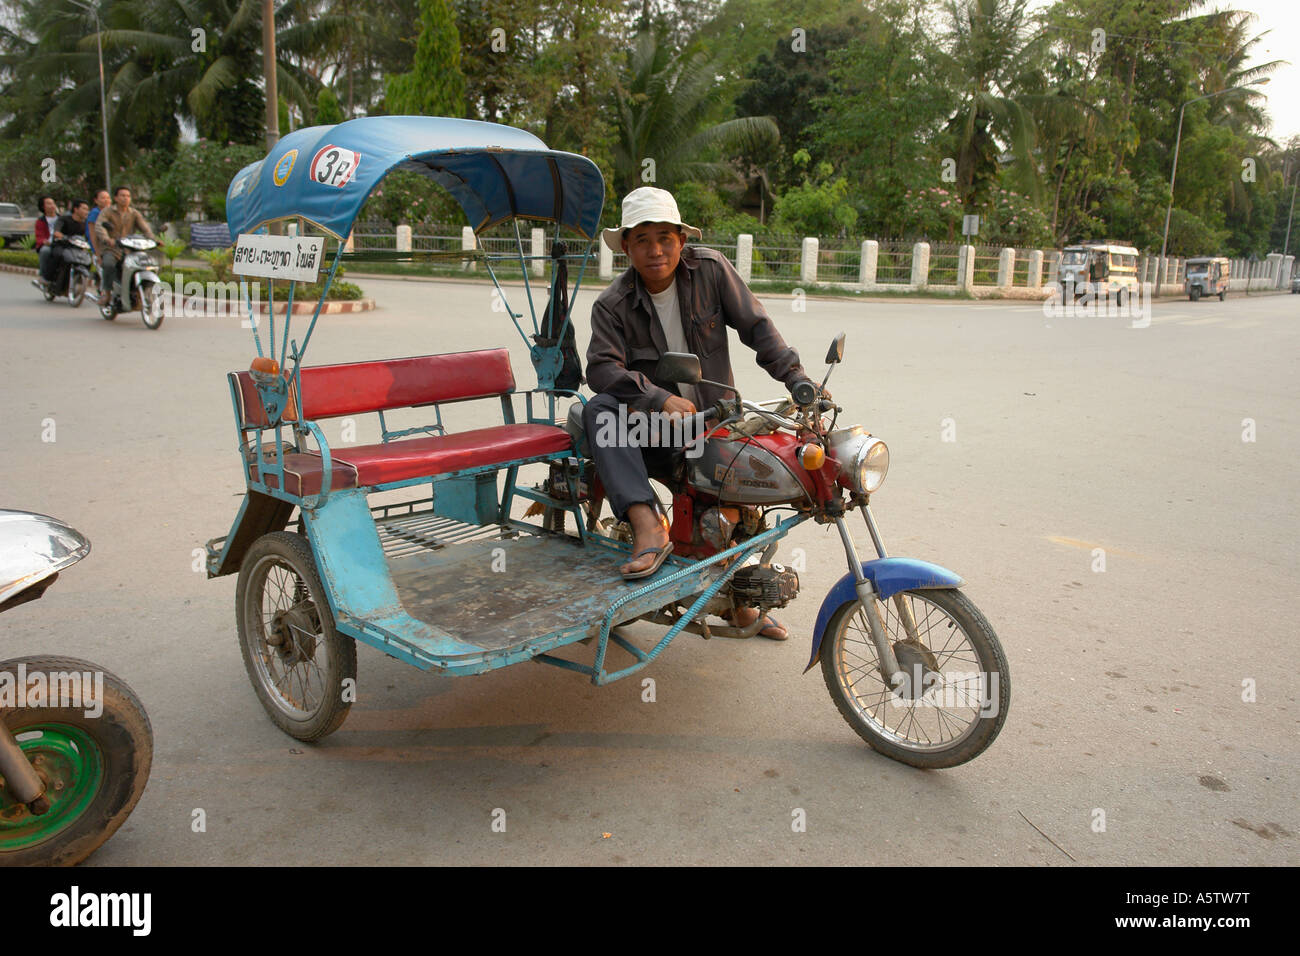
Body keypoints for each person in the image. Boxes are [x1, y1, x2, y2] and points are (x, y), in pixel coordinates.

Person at [583, 187, 812, 639]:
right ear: (626, 246)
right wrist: (657, 398)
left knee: (738, 507)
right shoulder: (611, 304)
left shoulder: (710, 271)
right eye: (643, 239)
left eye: (665, 237)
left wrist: (799, 381)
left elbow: (757, 327)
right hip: (651, 431)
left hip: (714, 417)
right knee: (600, 409)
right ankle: (648, 525)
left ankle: (740, 602)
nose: (655, 250)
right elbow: (601, 368)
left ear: (681, 241)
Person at [94, 186, 155, 307]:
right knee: (108, 264)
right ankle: (107, 293)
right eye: (122, 195)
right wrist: (107, 239)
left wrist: (154, 240)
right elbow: (99, 226)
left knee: (146, 263)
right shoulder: (107, 211)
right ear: (116, 198)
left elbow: (145, 229)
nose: (125, 198)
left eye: (128, 196)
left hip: (130, 248)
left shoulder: (134, 213)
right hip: (112, 248)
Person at [35, 199, 90, 292]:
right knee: (58, 255)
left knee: (87, 259)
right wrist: (62, 236)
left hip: (76, 247)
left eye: (87, 209)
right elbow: (56, 231)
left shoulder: (85, 223)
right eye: (84, 209)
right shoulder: (64, 219)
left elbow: (89, 236)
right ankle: (48, 278)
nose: (86, 211)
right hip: (61, 245)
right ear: (76, 209)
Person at [85, 189, 111, 294]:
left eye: (108, 198)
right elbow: (92, 234)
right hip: (99, 246)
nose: (106, 200)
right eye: (103, 198)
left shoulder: (112, 212)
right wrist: (97, 252)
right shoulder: (95, 213)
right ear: (96, 200)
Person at [34, 196, 59, 283]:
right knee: (45, 251)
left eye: (53, 203)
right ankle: (43, 276)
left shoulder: (61, 219)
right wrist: (45, 241)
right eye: (48, 203)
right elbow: (39, 236)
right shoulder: (40, 221)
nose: (52, 205)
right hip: (48, 245)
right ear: (43, 207)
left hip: (60, 244)